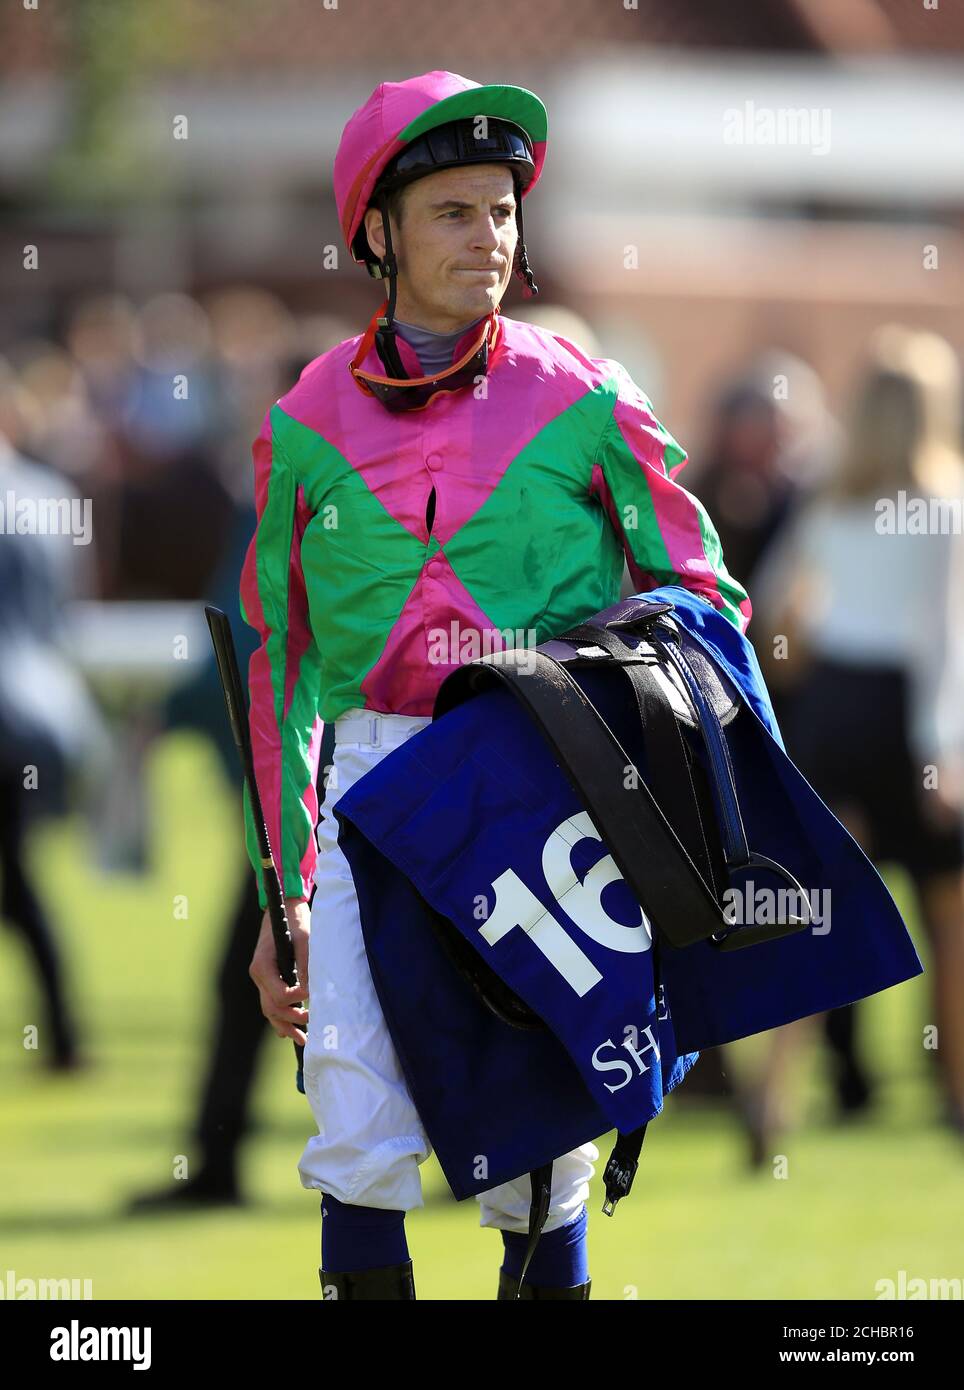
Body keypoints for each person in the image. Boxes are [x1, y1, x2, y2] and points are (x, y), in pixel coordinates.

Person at [241, 70, 748, 1300]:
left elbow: (706, 601)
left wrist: (618, 719)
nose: (490, 238)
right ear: (378, 234)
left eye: (502, 211)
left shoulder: (585, 394)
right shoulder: (302, 422)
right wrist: (280, 889)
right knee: (356, 1126)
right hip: (370, 786)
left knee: (543, 1143)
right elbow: (280, 667)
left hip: (547, 780)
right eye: (454, 212)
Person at [747, 324, 964, 1156]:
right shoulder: (942, 505)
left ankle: (772, 1098)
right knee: (945, 915)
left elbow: (773, 601)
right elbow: (944, 641)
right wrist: (941, 750)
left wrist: (805, 654)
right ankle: (952, 1094)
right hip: (907, 718)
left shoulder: (828, 497)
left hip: (834, 712)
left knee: (817, 910)